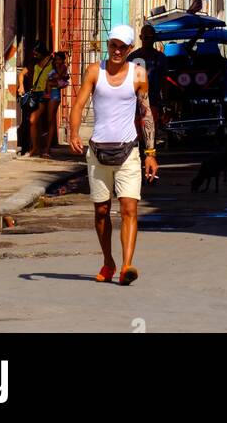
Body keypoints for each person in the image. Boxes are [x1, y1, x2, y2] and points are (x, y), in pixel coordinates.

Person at [69, 23, 158, 285]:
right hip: (98, 153)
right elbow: (78, 104)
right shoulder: (95, 71)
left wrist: (150, 152)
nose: (117, 51)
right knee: (101, 211)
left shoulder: (139, 74)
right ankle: (108, 261)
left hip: (129, 151)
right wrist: (74, 133)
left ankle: (127, 266)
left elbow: (146, 113)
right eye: (113, 46)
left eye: (122, 47)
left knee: (129, 207)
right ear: (108, 46)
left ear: (130, 49)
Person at [18, 41, 54, 156]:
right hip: (37, 94)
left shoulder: (52, 62)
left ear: (42, 53)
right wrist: (21, 86)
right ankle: (35, 148)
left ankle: (47, 149)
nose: (35, 55)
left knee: (49, 121)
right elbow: (21, 74)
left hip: (50, 94)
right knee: (33, 120)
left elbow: (62, 74)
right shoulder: (33, 62)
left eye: (37, 53)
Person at [42, 50, 70, 156]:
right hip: (52, 91)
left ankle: (47, 149)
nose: (57, 61)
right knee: (50, 120)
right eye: (56, 59)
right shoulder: (53, 66)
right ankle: (47, 148)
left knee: (51, 120)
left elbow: (60, 76)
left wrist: (57, 70)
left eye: (59, 59)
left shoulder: (62, 67)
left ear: (62, 60)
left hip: (54, 95)